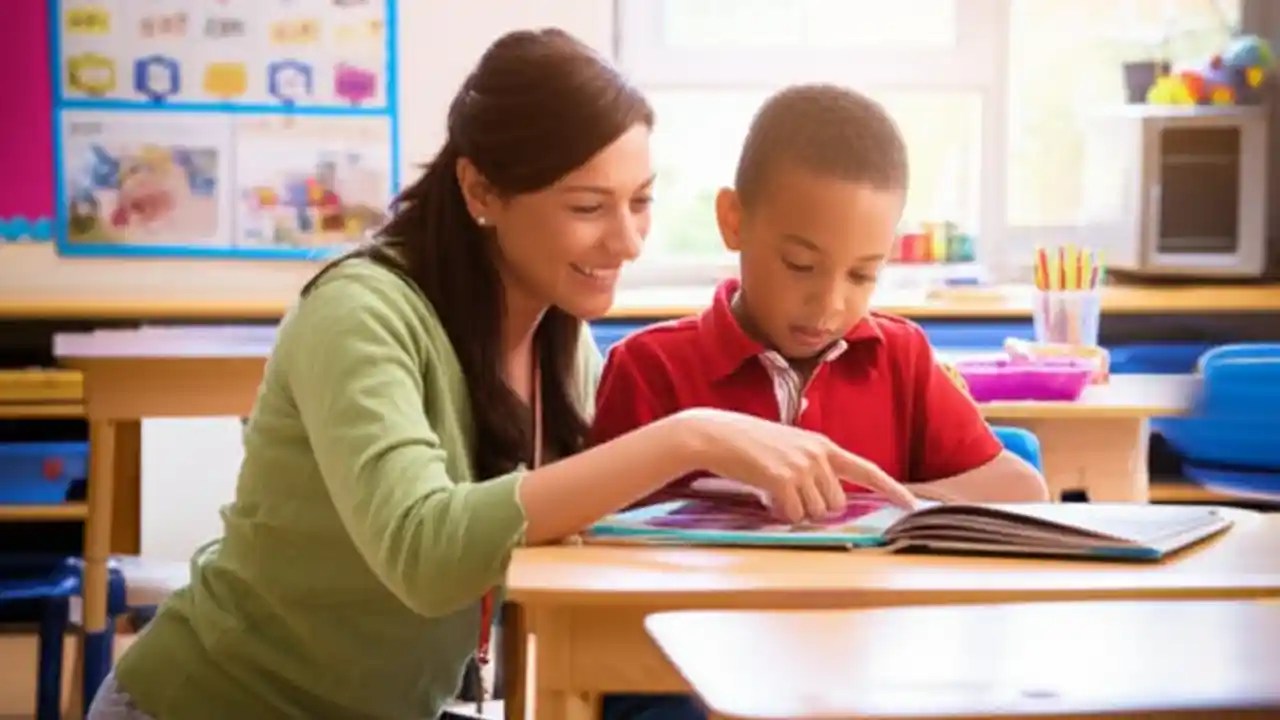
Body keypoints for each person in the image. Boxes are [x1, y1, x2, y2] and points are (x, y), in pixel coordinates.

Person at [88, 32, 917, 720]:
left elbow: (576, 543)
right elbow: (425, 551)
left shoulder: (560, 335)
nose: (628, 242)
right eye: (590, 207)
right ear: (482, 189)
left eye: (641, 201)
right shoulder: (359, 311)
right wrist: (690, 435)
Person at [590, 84, 1049, 506]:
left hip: (866, 598)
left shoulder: (900, 359)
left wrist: (867, 503)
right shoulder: (649, 369)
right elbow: (589, 530)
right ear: (734, 221)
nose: (830, 305)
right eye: (800, 266)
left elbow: (1023, 489)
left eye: (862, 275)